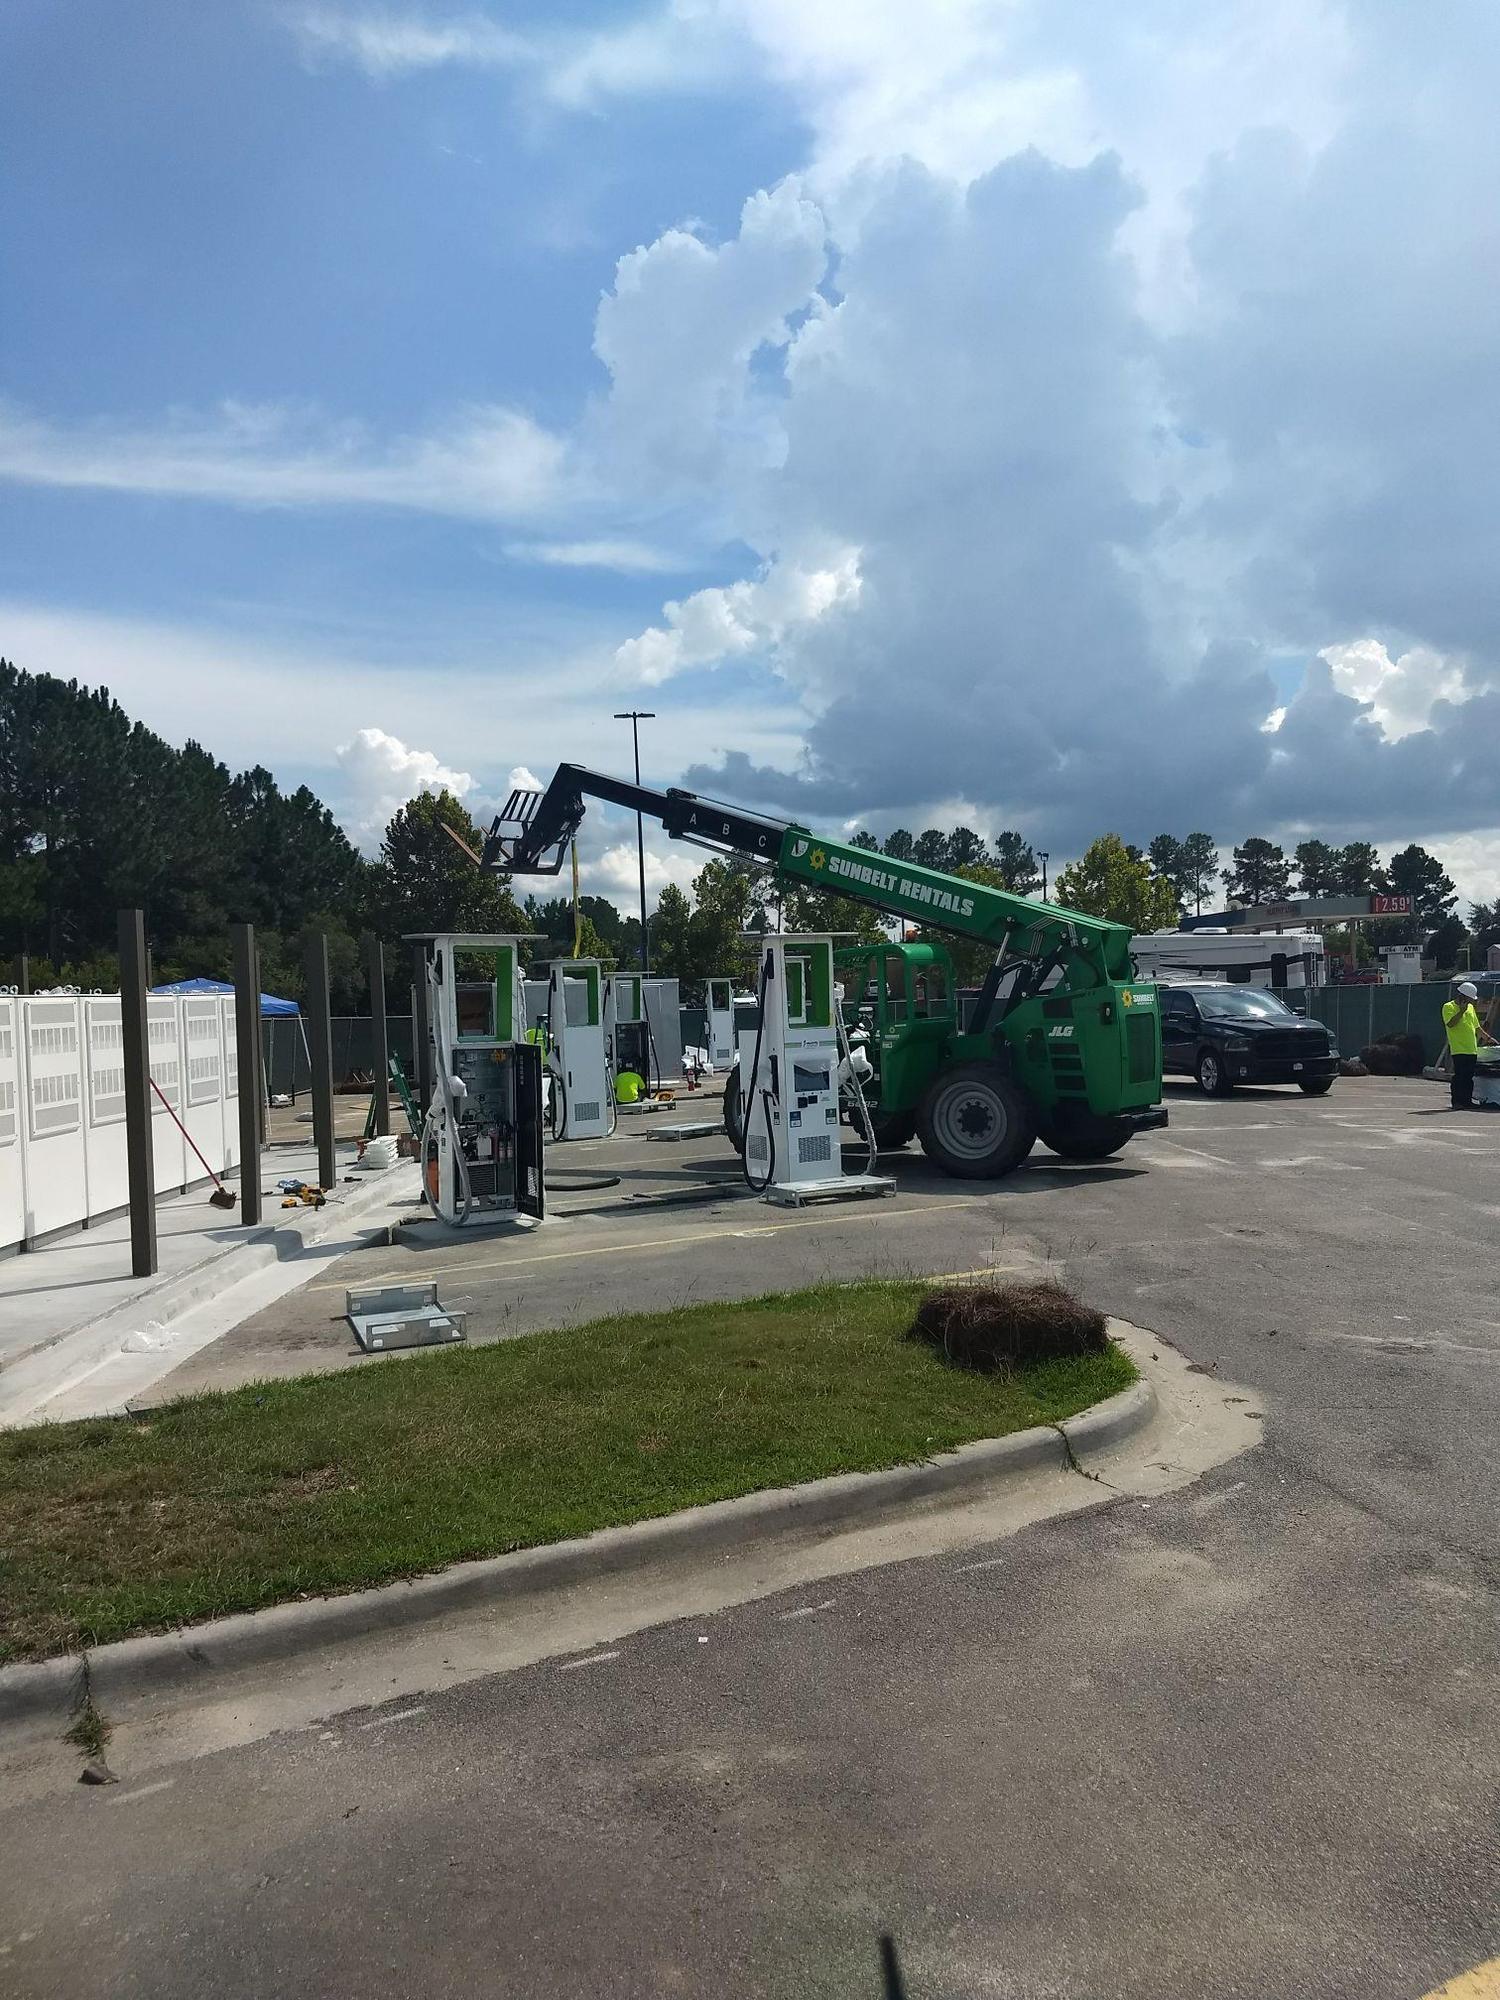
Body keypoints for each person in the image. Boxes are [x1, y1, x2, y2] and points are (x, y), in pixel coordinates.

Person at [1442, 980, 1496, 1109]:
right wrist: (1461, 1011)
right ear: (1462, 996)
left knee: (1468, 1077)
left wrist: (1488, 1038)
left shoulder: (1471, 1008)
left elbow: (1477, 1027)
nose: (1471, 1001)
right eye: (1470, 998)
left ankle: (1467, 1101)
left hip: (1471, 1049)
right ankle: (1457, 1102)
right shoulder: (1448, 1007)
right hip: (1459, 1049)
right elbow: (1450, 1024)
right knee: (1459, 1076)